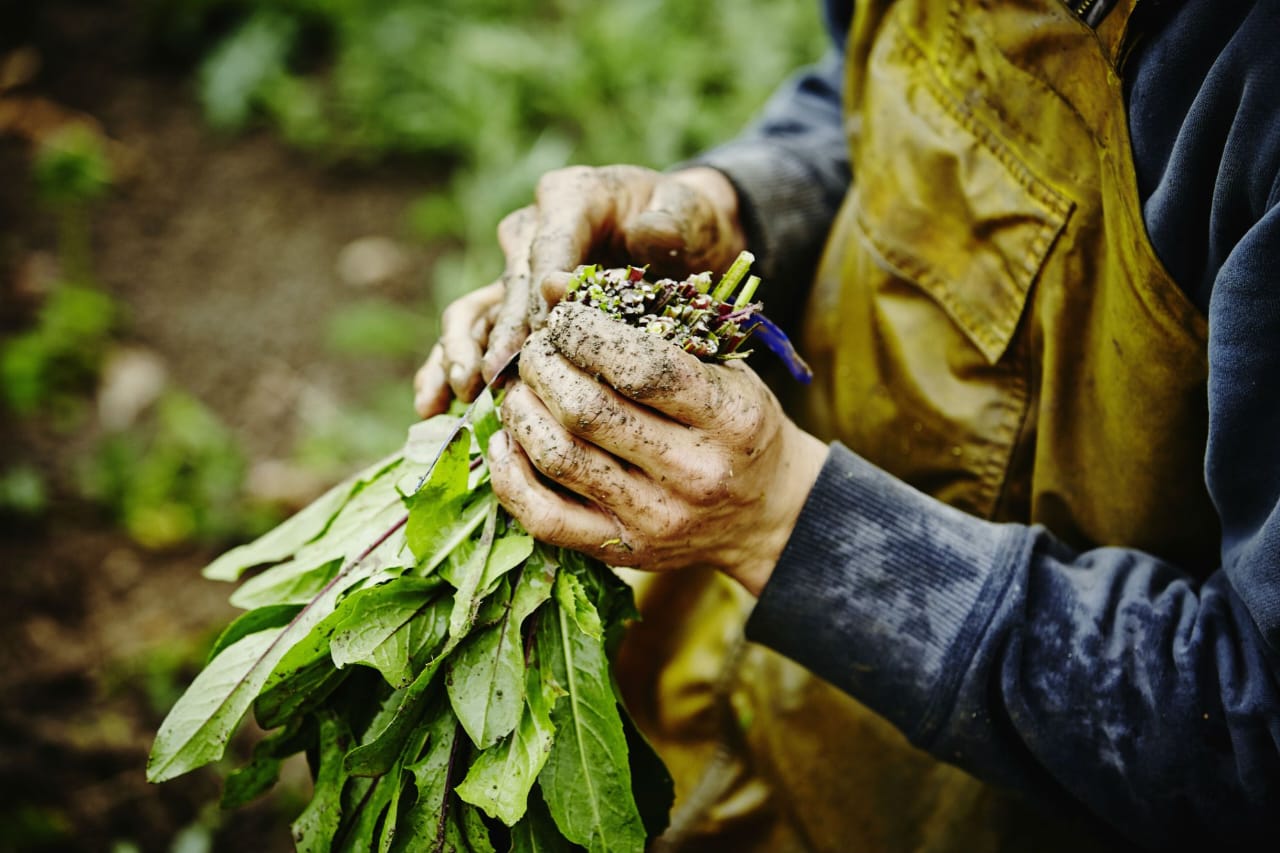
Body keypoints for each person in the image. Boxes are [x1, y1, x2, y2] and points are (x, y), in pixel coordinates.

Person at [415, 0, 1280, 849]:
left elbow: (1255, 739)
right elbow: (872, 101)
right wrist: (733, 209)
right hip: (742, 664)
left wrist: (788, 520)